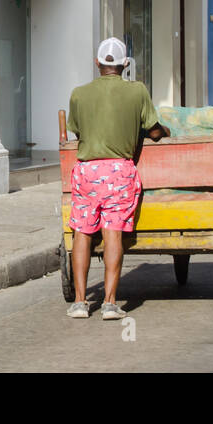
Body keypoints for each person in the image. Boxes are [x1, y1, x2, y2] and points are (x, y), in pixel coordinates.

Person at [64, 37, 170, 320]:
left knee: (82, 233)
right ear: (125, 65)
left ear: (97, 63)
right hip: (119, 173)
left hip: (87, 171)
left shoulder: (78, 94)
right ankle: (110, 304)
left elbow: (78, 132)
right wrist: (164, 131)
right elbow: (154, 131)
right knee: (113, 233)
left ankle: (79, 302)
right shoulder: (137, 91)